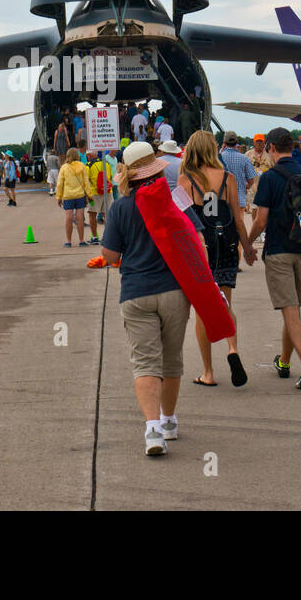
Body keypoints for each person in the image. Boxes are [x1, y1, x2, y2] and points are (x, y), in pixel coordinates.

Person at [101, 141, 205, 455]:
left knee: (145, 363)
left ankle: (152, 430)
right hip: (174, 291)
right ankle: (169, 420)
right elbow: (198, 240)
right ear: (157, 168)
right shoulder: (177, 200)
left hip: (136, 293)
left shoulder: (120, 207)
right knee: (171, 360)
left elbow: (109, 255)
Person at [179, 131, 256, 388]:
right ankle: (232, 349)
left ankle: (208, 372)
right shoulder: (228, 178)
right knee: (225, 301)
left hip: (201, 249)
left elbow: (183, 222)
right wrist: (247, 248)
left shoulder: (185, 180)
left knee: (203, 309)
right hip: (226, 245)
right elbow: (238, 218)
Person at [246, 128, 301, 389]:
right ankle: (284, 362)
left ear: (272, 148)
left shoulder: (270, 177)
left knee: (290, 310)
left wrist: (247, 244)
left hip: (279, 250)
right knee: (294, 310)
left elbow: (261, 220)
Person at [56, 148, 94, 246]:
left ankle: (68, 241)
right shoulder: (82, 166)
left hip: (68, 196)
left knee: (68, 218)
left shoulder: (64, 167)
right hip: (80, 195)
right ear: (77, 155)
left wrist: (59, 197)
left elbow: (60, 183)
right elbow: (86, 182)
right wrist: (89, 195)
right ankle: (81, 241)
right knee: (80, 218)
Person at [217, 132, 257, 225]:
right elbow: (251, 180)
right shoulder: (244, 158)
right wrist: (246, 187)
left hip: (222, 199)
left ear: (224, 142)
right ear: (237, 142)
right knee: (238, 227)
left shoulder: (218, 158)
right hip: (239, 200)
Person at [246, 134, 271, 212]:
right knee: (254, 210)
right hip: (252, 188)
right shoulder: (247, 155)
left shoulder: (269, 156)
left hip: (265, 189)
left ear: (264, 143)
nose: (259, 143)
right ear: (254, 142)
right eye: (257, 141)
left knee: (264, 211)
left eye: (261, 141)